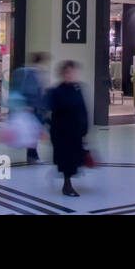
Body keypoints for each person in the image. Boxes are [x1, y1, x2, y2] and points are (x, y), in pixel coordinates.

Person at [45, 61, 89, 198]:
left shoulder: (77, 88)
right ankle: (67, 185)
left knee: (73, 158)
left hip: (75, 131)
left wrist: (84, 129)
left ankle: (67, 181)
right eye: (68, 72)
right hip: (61, 131)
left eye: (72, 72)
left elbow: (82, 109)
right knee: (66, 158)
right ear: (63, 74)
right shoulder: (57, 91)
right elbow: (53, 109)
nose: (71, 75)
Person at [9, 52, 47, 164]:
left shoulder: (33, 72)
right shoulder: (33, 73)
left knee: (33, 132)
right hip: (32, 108)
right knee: (33, 132)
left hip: (35, 108)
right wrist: (29, 105)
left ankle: (32, 156)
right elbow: (31, 91)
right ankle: (33, 156)